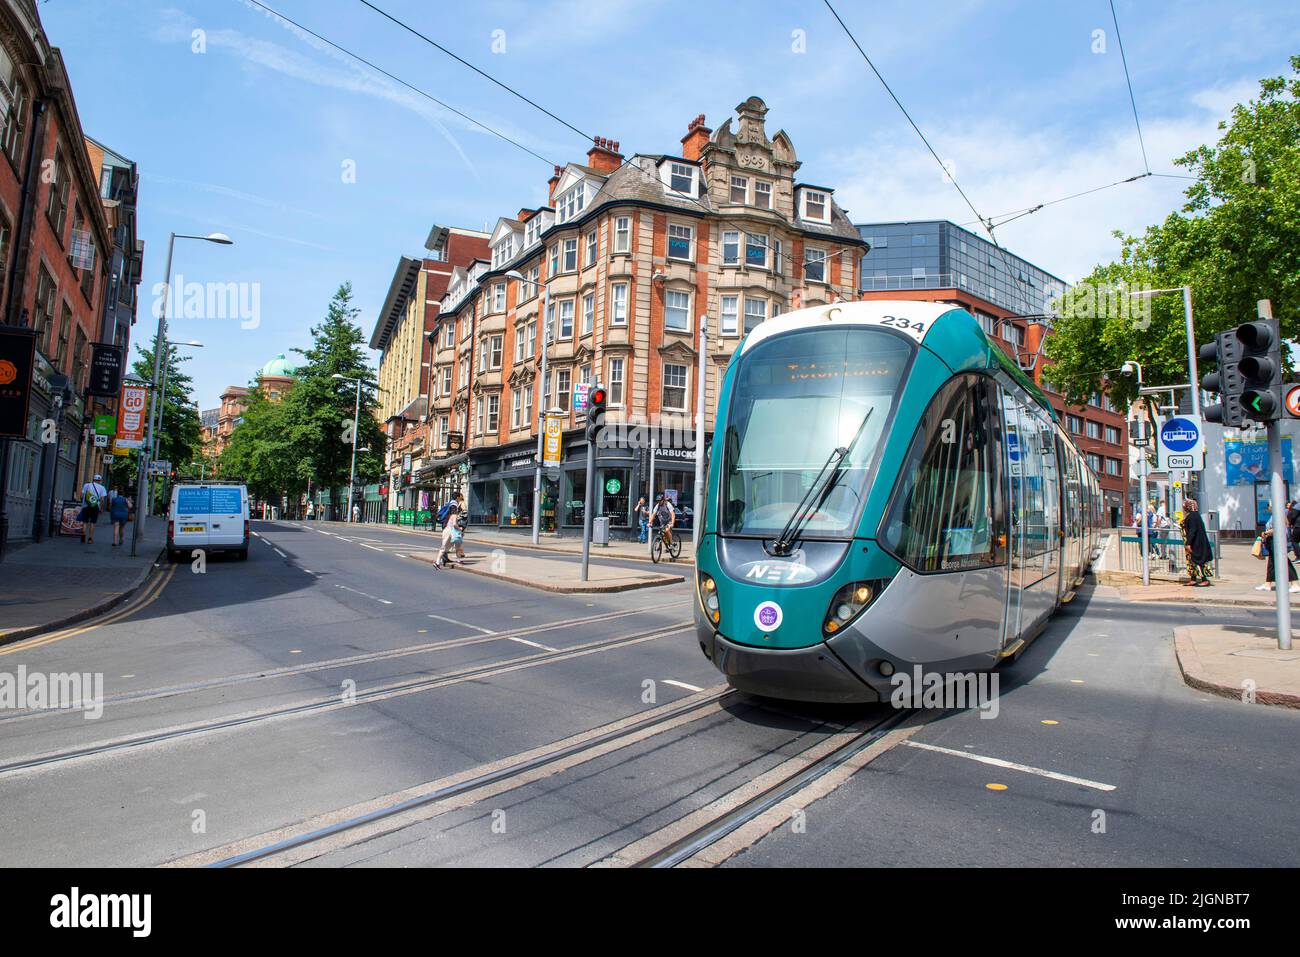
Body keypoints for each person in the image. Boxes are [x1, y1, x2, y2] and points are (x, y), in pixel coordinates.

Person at [1256, 511, 1299, 592]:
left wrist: (1266, 533)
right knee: (1271, 562)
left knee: (1284, 561)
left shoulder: (1278, 513)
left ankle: (1295, 584)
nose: (1268, 507)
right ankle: (1267, 584)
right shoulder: (1275, 514)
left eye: (1269, 505)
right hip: (1272, 539)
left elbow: (1279, 527)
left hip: (1276, 540)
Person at [1180, 498, 1214, 587]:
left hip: (1196, 544)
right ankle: (1193, 578)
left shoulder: (1192, 517)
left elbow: (1192, 530)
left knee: (1199, 561)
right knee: (1192, 562)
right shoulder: (1195, 515)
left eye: (1185, 506)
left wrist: (1188, 543)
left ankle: (1205, 580)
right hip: (1198, 542)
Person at [433, 492, 465, 569]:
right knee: (444, 548)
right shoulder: (454, 510)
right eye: (460, 498)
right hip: (450, 531)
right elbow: (454, 524)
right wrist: (460, 529)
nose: (460, 499)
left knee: (458, 545)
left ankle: (459, 560)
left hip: (449, 530)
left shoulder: (450, 505)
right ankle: (437, 562)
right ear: (457, 498)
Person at [80, 473, 107, 544]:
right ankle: (90, 538)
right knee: (93, 522)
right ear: (100, 480)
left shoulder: (86, 485)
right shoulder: (102, 488)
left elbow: (82, 495)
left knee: (85, 521)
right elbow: (102, 500)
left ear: (93, 479)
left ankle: (83, 532)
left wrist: (83, 502)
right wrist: (101, 508)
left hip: (86, 506)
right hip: (95, 507)